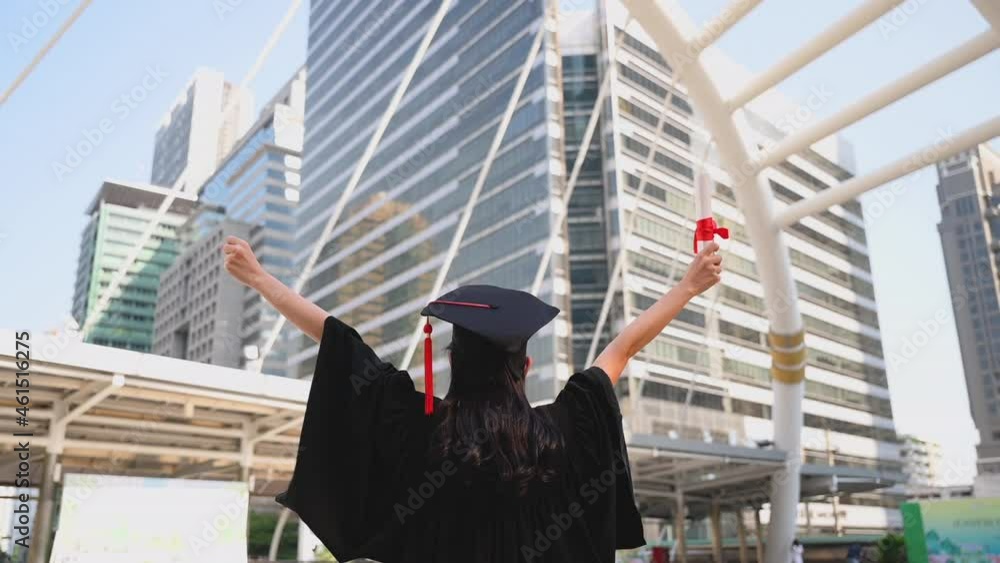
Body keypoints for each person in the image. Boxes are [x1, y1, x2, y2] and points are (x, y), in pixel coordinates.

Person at [223, 236, 723, 562]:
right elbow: (623, 347)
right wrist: (689, 285)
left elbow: (341, 342)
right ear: (524, 368)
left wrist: (261, 278)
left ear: (451, 366)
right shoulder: (565, 428)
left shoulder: (416, 429)